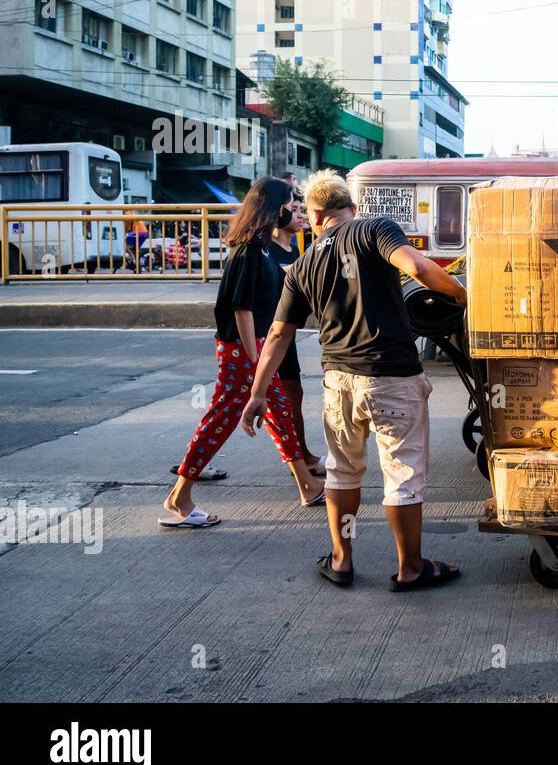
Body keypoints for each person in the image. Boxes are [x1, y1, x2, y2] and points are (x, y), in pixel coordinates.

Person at [240, 169, 469, 592]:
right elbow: (417, 267)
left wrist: (257, 393)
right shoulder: (373, 229)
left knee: (343, 472)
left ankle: (342, 560)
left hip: (338, 382)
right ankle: (410, 568)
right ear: (353, 208)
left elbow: (277, 334)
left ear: (315, 214)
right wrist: (461, 294)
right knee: (402, 473)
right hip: (392, 376)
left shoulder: (302, 266)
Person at [160, 177, 325, 529]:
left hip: (258, 347)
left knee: (280, 412)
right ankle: (180, 495)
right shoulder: (249, 249)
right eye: (288, 203)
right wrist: (255, 361)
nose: (292, 208)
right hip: (242, 349)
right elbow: (242, 308)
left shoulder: (264, 246)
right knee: (221, 419)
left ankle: (307, 485)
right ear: (272, 207)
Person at [268, 189, 324, 475]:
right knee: (236, 406)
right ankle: (195, 462)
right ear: (278, 212)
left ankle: (301, 455)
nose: (302, 215)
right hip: (265, 335)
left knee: (293, 395)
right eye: (296, 209)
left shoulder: (294, 248)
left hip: (284, 333)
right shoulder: (261, 248)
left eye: (303, 209)